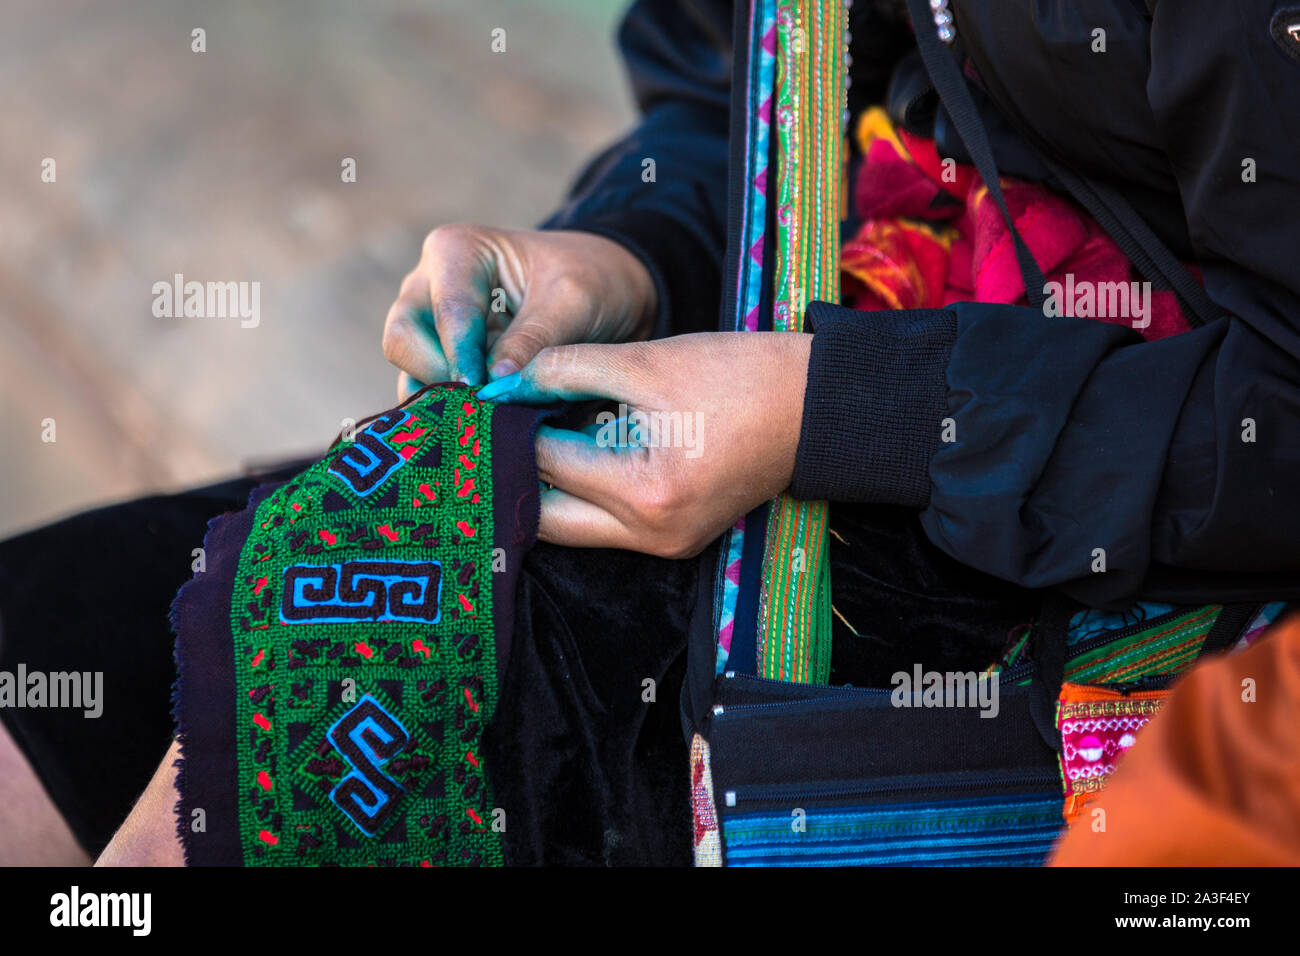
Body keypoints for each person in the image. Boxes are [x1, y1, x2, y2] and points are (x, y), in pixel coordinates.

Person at [4, 0, 1299, 866]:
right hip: (817, 344)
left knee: (331, 698)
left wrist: (835, 412)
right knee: (46, 655)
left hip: (1117, 509)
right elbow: (722, 81)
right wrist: (623, 249)